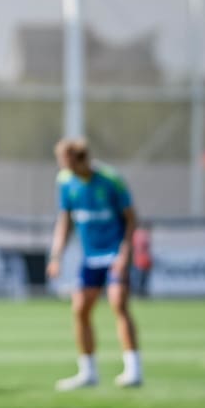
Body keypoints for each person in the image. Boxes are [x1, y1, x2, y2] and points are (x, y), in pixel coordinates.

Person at [47, 137, 142, 390]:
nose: (63, 167)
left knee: (118, 303)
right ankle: (88, 372)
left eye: (67, 162)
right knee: (80, 309)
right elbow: (65, 220)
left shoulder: (110, 180)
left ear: (80, 159)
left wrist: (125, 253)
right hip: (90, 257)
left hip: (114, 253)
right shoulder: (65, 181)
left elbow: (131, 219)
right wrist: (56, 256)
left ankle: (134, 370)